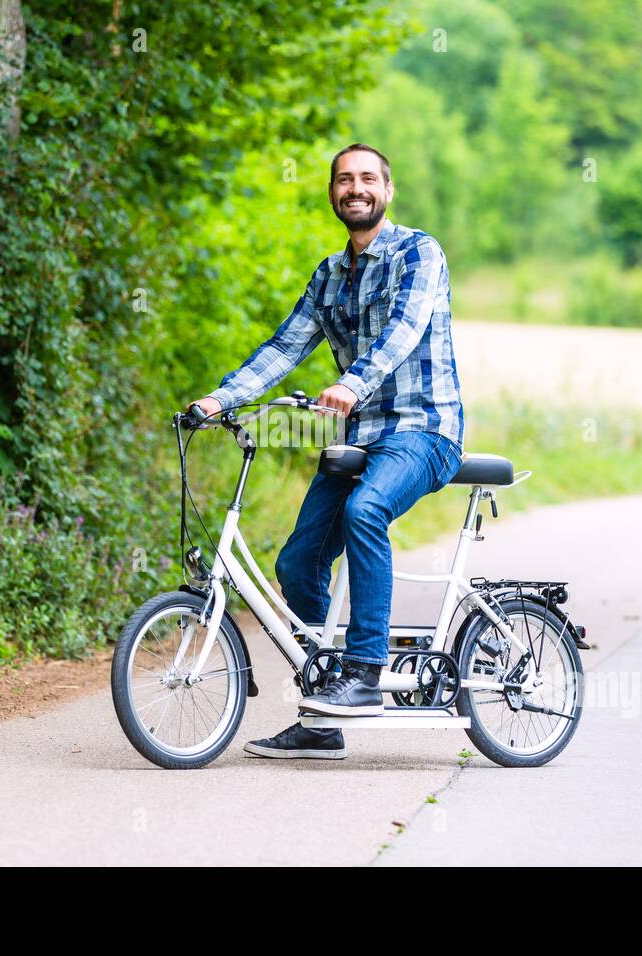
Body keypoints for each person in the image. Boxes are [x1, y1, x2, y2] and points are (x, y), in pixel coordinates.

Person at [185, 143, 465, 760]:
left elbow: (402, 332)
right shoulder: (329, 275)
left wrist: (351, 384)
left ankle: (363, 673)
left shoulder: (419, 252)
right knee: (298, 564)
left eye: (368, 179)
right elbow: (286, 347)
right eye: (344, 180)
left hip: (424, 431)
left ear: (387, 191)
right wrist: (220, 398)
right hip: (359, 440)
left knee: (366, 512)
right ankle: (322, 712)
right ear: (334, 193)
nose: (355, 188)